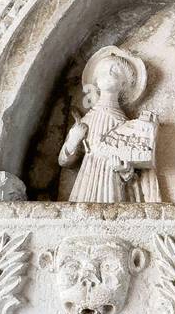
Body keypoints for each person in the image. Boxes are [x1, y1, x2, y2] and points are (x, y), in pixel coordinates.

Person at [58, 46, 158, 203]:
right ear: (96, 80)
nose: (108, 74)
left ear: (125, 84)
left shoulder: (127, 125)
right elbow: (64, 162)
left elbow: (134, 174)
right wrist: (73, 140)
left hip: (110, 183)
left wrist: (125, 169)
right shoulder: (86, 120)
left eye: (115, 72)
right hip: (86, 182)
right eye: (103, 71)